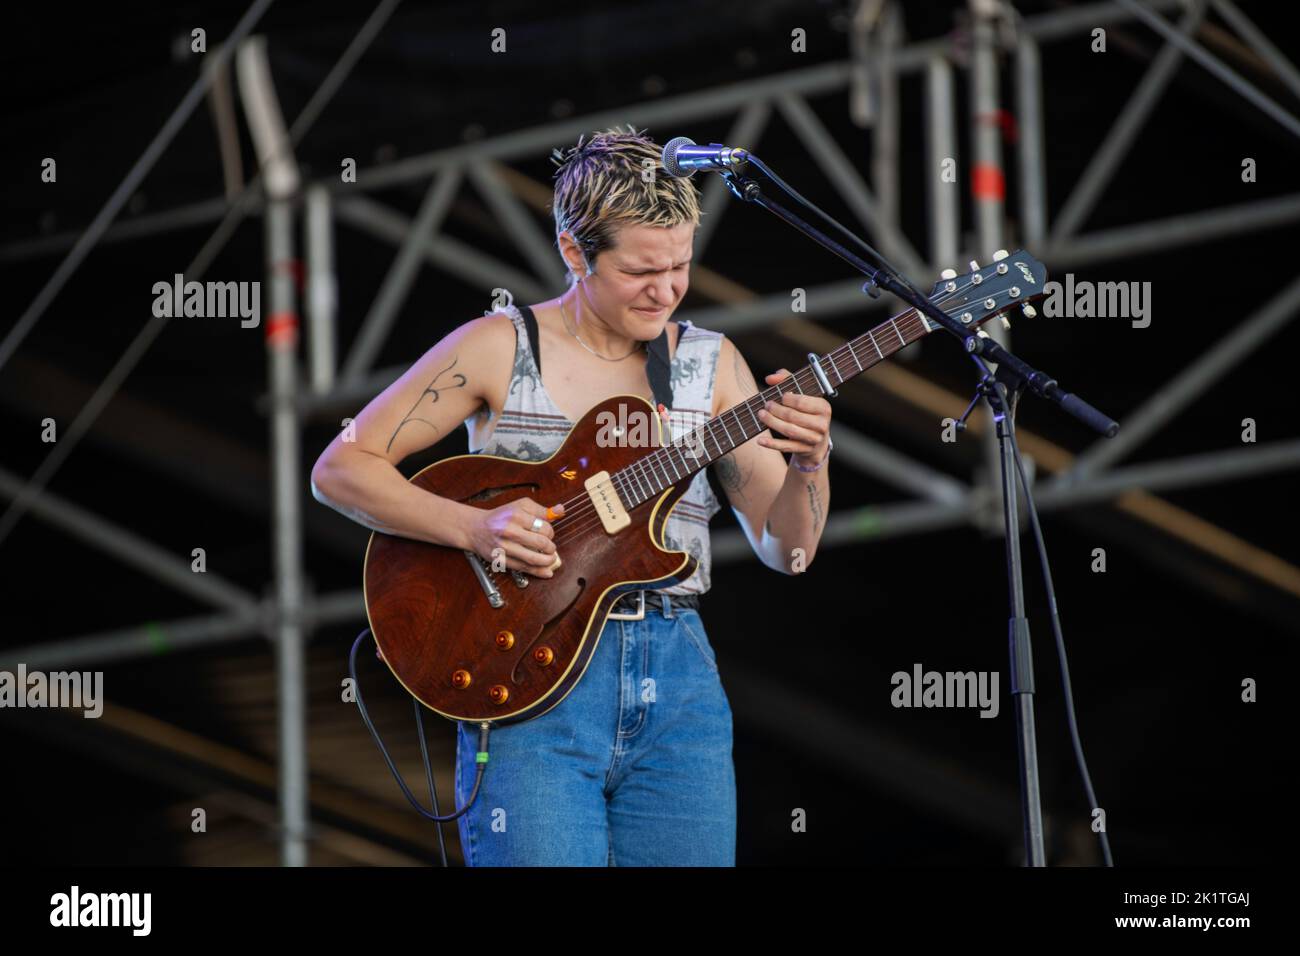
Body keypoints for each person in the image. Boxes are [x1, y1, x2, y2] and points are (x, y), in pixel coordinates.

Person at [310, 125, 833, 866]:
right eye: (640, 270)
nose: (666, 290)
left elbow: (788, 552)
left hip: (677, 681)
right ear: (574, 251)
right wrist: (475, 528)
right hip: (527, 678)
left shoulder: (712, 365)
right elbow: (341, 468)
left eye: (680, 265)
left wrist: (811, 462)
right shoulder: (499, 346)